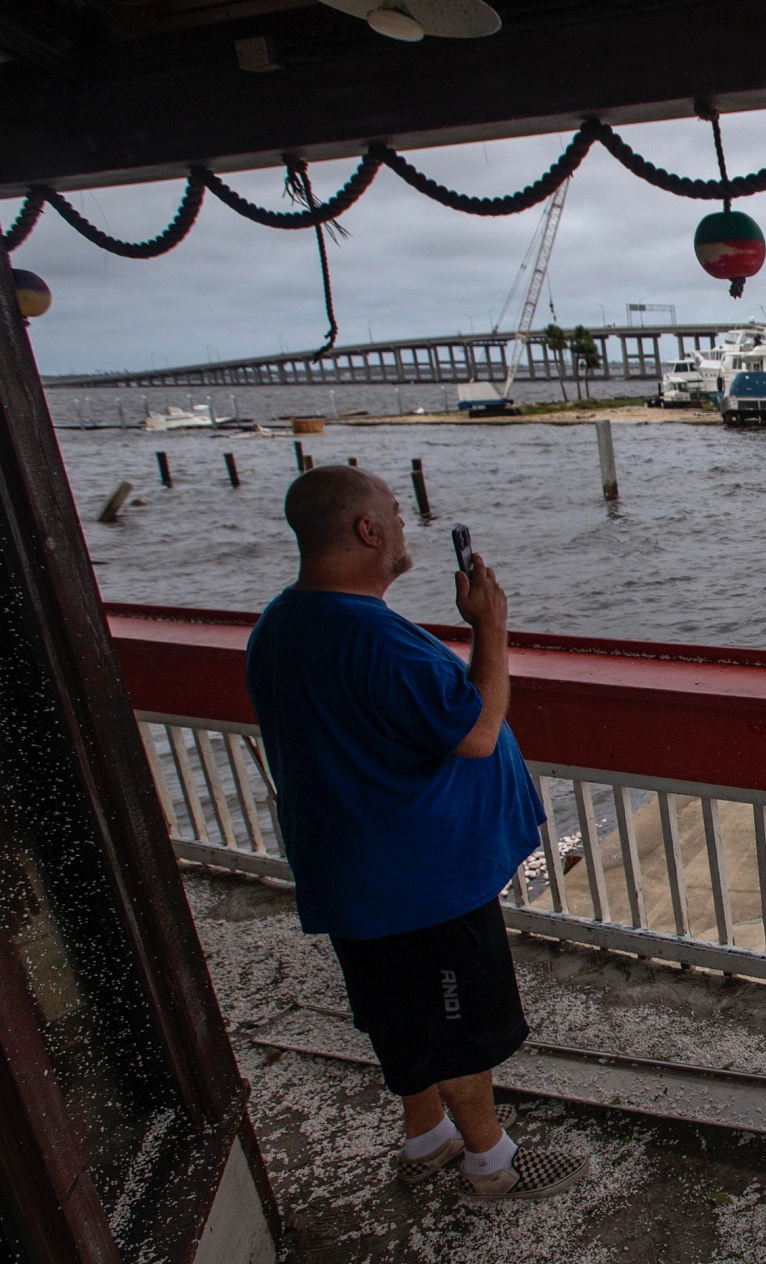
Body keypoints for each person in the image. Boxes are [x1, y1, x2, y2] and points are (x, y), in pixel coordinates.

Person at [245, 465, 585, 1199]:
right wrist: (490, 629)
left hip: (355, 869)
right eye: (396, 514)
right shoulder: (372, 639)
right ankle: (492, 1163)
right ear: (367, 530)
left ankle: (425, 1134)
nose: (404, 525)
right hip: (419, 884)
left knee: (399, 1012)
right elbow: (478, 730)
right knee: (455, 1025)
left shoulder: (282, 622)